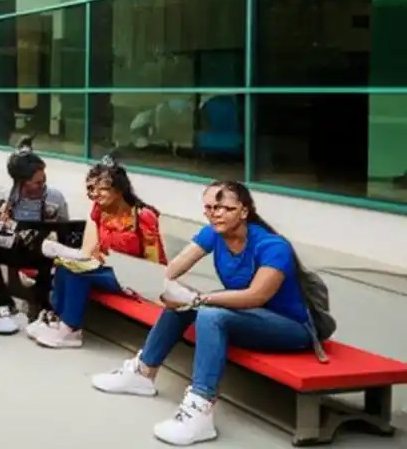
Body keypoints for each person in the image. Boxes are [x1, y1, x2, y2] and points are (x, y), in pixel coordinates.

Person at [91, 181, 315, 446]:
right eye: (209, 208)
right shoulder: (213, 234)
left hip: (289, 328)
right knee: (185, 301)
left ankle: (200, 408)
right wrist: (169, 290)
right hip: (246, 318)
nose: (214, 213)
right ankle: (143, 373)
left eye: (223, 207)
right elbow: (172, 270)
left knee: (207, 312)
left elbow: (257, 296)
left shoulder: (272, 246)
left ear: (243, 211)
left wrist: (199, 299)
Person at [29, 156, 168, 348]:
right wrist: (60, 251)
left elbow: (155, 262)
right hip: (105, 268)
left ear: (119, 189)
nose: (95, 194)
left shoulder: (143, 216)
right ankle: (56, 319)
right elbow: (87, 251)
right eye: (91, 189)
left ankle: (71, 329)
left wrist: (153, 290)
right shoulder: (98, 210)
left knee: (79, 273)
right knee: (65, 264)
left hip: (135, 277)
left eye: (102, 188)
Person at [0, 139, 70, 334]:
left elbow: (66, 231)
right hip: (8, 248)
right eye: (37, 183)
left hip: (40, 252)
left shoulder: (54, 198)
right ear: (22, 183)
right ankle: (5, 305)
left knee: (49, 247)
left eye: (44, 181)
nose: (42, 186)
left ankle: (42, 305)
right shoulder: (0, 200)